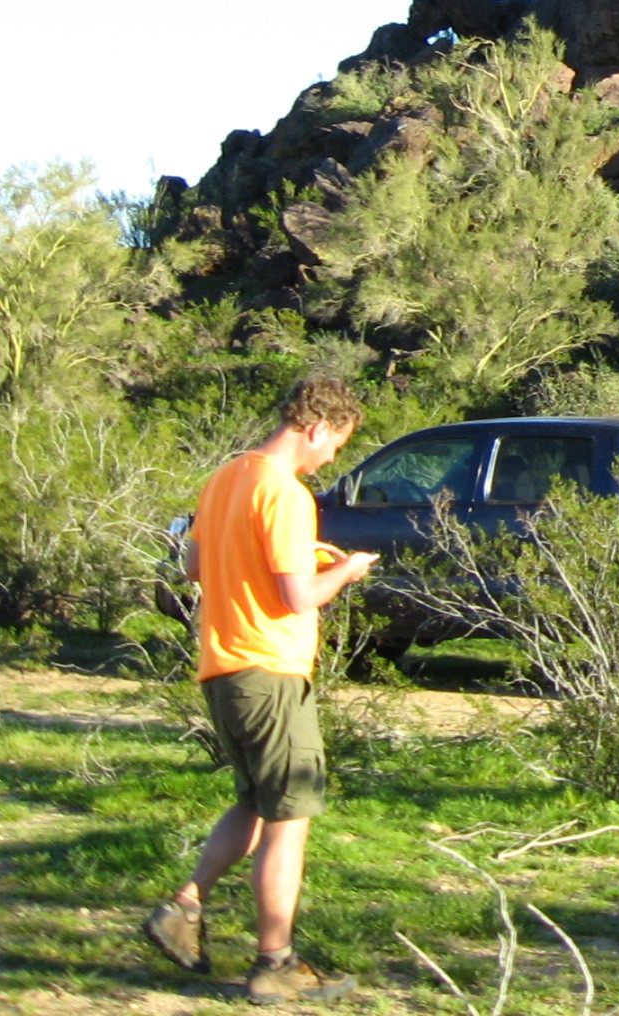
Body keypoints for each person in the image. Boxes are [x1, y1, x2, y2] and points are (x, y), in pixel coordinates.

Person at [141, 374, 376, 1002]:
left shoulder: (226, 478)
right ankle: (276, 964)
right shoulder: (286, 493)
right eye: (336, 444)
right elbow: (298, 599)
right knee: (289, 816)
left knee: (253, 801)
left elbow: (195, 565)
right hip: (269, 669)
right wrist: (346, 571)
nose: (331, 458)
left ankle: (183, 908)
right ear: (318, 427)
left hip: (222, 668)